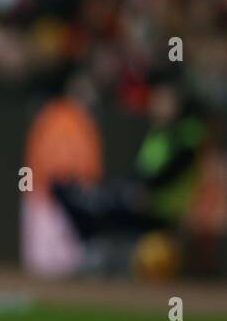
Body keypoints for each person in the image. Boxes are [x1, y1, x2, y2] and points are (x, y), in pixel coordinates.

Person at [51, 73, 207, 273]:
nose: (156, 105)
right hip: (145, 200)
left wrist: (142, 190)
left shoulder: (187, 134)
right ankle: (94, 252)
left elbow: (173, 170)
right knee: (80, 196)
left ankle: (99, 256)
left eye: (163, 100)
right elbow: (141, 172)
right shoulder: (157, 133)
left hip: (164, 211)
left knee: (106, 205)